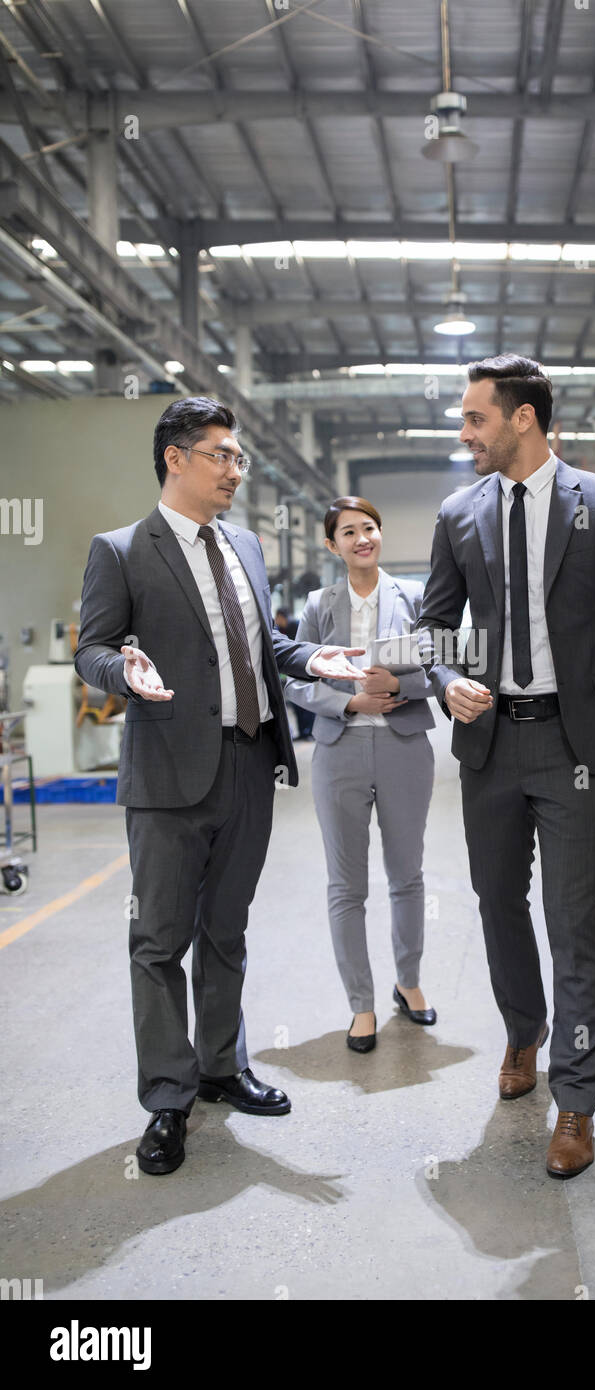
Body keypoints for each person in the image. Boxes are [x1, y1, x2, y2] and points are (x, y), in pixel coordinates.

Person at [73, 396, 366, 1176]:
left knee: (226, 931)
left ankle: (219, 1067)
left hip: (246, 764)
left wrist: (311, 659)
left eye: (239, 458)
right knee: (159, 939)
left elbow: (262, 640)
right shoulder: (123, 549)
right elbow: (93, 648)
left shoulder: (243, 544)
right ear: (177, 458)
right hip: (169, 772)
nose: (236, 470)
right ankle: (168, 1101)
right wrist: (122, 671)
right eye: (223, 455)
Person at [413, 355, 595, 1180]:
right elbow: (431, 628)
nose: (466, 434)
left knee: (575, 919)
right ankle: (522, 1030)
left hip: (575, 741)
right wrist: (446, 678)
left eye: (475, 419)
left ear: (522, 418)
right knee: (497, 904)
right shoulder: (460, 513)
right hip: (490, 740)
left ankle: (576, 1099)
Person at [285, 497, 437, 1053]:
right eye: (348, 532)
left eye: (369, 528)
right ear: (333, 546)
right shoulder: (318, 605)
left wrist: (399, 688)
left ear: (380, 534)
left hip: (404, 750)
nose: (361, 538)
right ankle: (361, 1005)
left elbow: (442, 667)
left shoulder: (415, 598)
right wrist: (349, 705)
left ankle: (409, 982)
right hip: (340, 751)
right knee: (346, 885)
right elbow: (294, 679)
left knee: (408, 876)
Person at [277, 609, 315, 739]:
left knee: (304, 704)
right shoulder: (283, 628)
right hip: (294, 671)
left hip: (303, 669)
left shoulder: (295, 625)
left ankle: (308, 732)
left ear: (281, 617)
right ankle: (304, 732)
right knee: (297, 704)